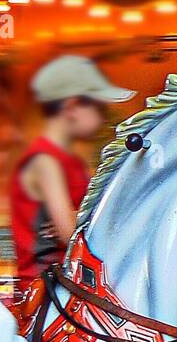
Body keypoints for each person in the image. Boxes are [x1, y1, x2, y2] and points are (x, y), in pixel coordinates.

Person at [10, 55, 134, 282]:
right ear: (72, 107)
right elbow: (71, 235)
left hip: (73, 282)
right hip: (49, 289)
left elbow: (82, 224)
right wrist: (79, 221)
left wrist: (80, 218)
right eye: (99, 109)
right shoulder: (44, 161)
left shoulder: (71, 162)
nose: (103, 118)